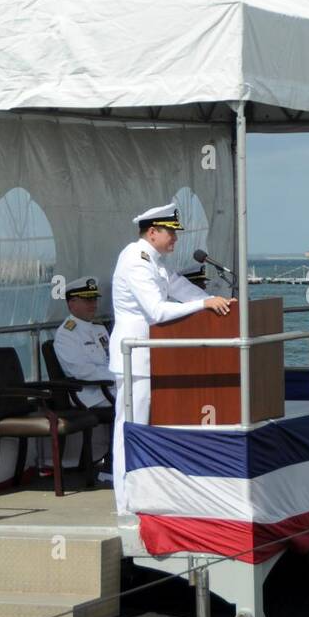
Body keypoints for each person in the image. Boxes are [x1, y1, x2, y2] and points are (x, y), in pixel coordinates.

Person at [108, 203, 232, 514]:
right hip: (133, 356)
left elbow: (180, 288)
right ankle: (124, 502)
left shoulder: (155, 261)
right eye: (171, 233)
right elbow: (158, 311)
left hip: (150, 355)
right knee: (131, 427)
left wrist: (214, 301)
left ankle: (139, 492)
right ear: (152, 232)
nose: (175, 239)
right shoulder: (136, 261)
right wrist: (204, 306)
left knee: (143, 424)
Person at [52, 276, 114, 410]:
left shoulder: (99, 328)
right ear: (71, 304)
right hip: (89, 395)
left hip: (109, 386)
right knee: (139, 397)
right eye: (88, 300)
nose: (94, 304)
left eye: (94, 299)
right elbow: (82, 372)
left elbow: (111, 360)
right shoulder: (66, 334)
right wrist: (118, 377)